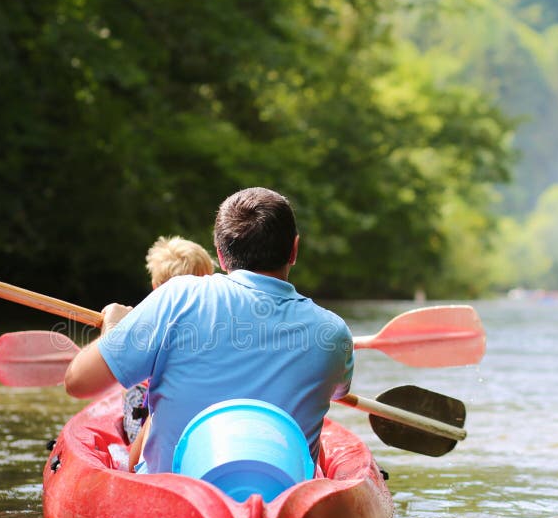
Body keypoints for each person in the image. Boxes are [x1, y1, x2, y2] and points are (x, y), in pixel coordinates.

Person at [64, 187, 354, 475]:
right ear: (294, 249)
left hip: (175, 499)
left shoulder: (177, 296)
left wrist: (115, 328)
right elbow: (338, 391)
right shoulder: (334, 332)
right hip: (281, 498)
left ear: (221, 255)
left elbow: (78, 382)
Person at [122, 236, 215, 469]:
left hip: (159, 418)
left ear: (156, 288)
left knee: (135, 393)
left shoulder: (150, 326)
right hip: (204, 424)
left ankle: (132, 467)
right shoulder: (216, 323)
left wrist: (113, 331)